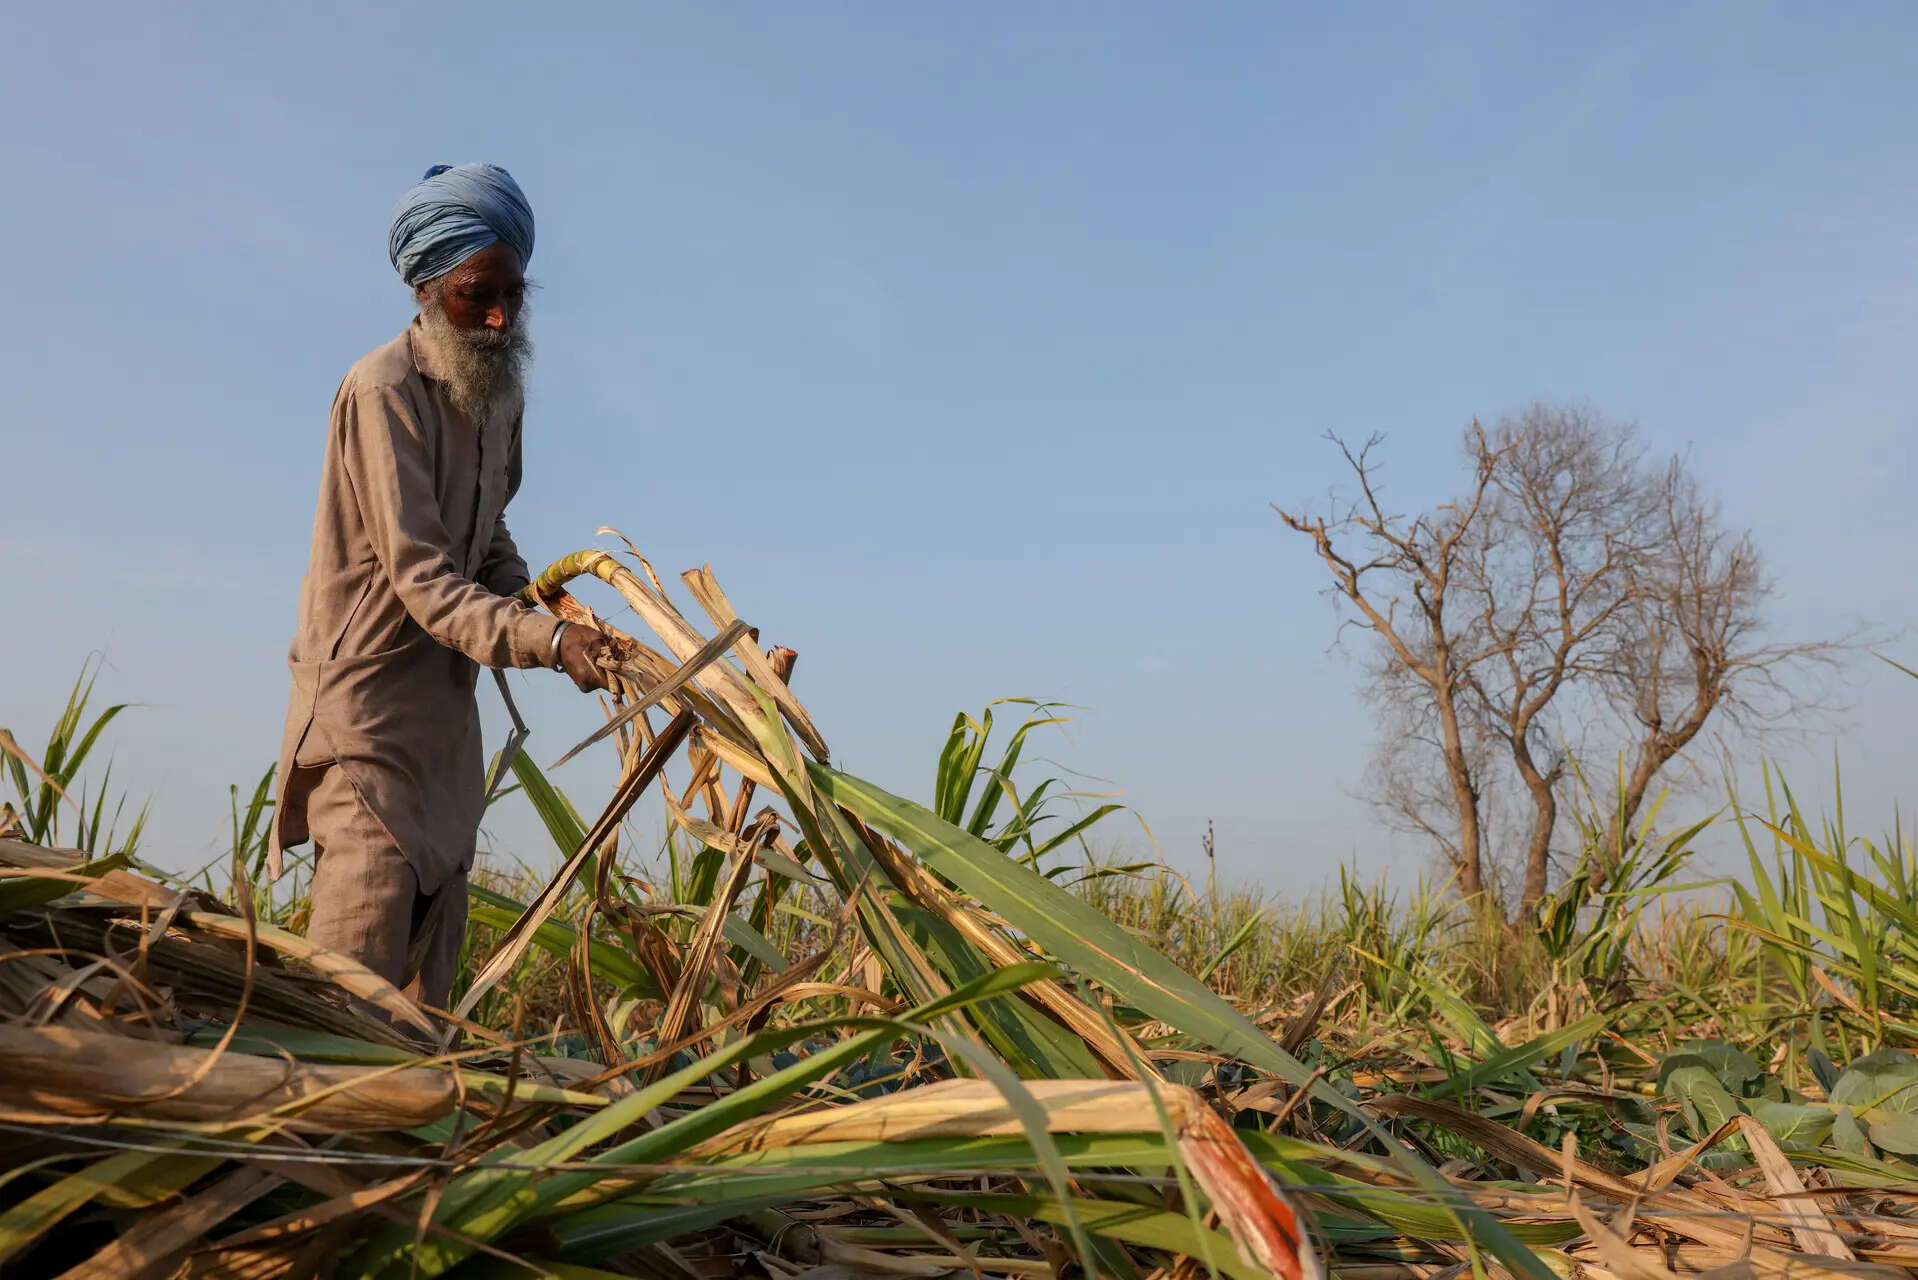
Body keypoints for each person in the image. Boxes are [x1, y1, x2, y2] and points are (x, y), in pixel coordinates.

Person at [272, 163, 609, 1014]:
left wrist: (545, 603)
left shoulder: (498, 394)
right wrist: (548, 643)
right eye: (476, 295)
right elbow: (424, 578)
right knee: (351, 1016)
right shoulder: (381, 391)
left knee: (427, 1016)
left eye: (513, 296)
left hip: (445, 737)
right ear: (427, 289)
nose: (499, 318)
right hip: (368, 733)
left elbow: (486, 531)